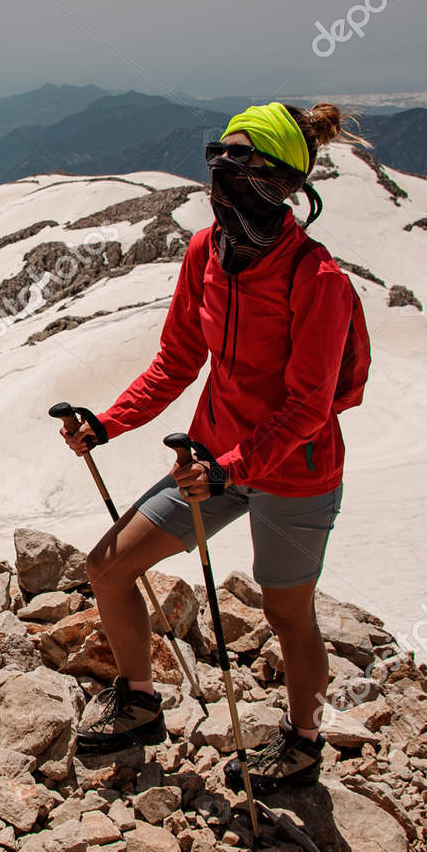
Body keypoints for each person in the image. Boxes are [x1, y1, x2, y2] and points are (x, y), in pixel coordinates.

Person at [60, 100, 369, 792]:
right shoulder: (204, 253)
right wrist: (104, 423)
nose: (221, 172)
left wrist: (230, 469)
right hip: (211, 461)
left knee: (288, 614)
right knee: (108, 567)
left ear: (283, 180)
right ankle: (139, 701)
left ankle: (303, 743)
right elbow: (176, 360)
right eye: (219, 157)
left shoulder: (317, 280)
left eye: (242, 159)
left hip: (294, 470)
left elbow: (308, 409)